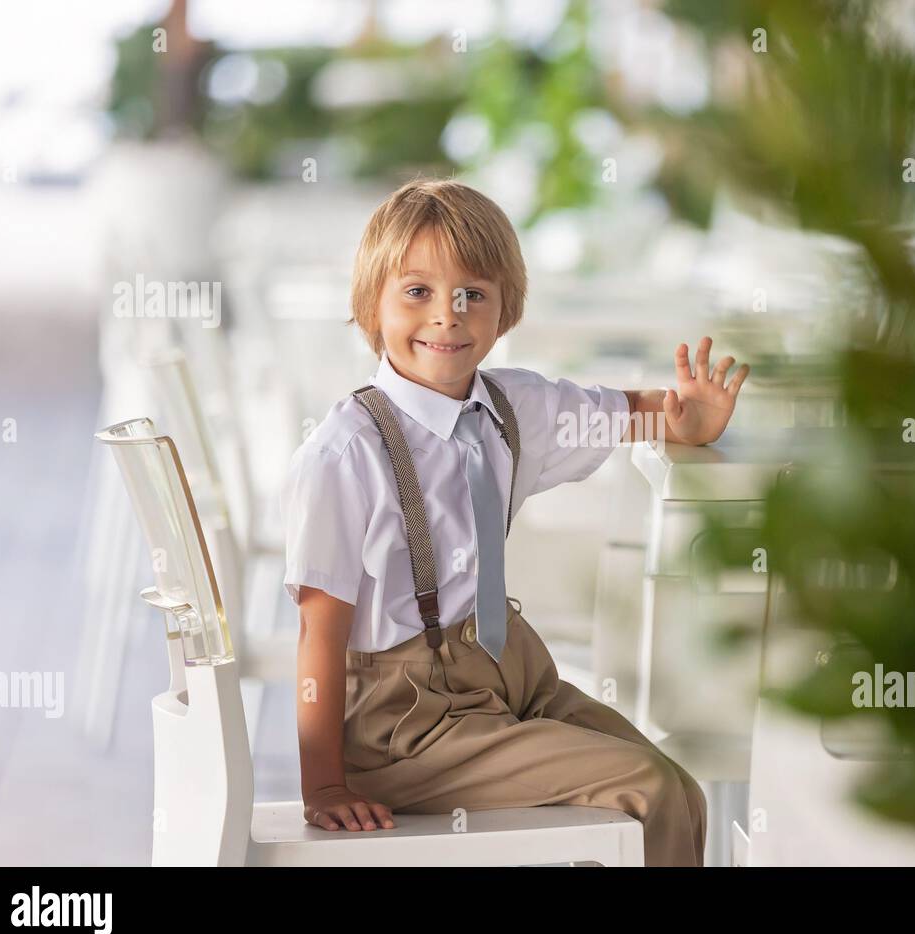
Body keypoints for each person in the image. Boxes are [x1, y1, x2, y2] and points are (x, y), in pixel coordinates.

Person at [280, 178, 749, 866]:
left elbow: (629, 411)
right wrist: (322, 783)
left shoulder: (513, 406)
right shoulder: (346, 454)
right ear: (370, 306)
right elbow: (318, 634)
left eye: (473, 294)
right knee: (644, 792)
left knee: (681, 788)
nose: (448, 316)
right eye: (418, 293)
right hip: (403, 723)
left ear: (504, 312)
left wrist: (682, 416)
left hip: (510, 674)